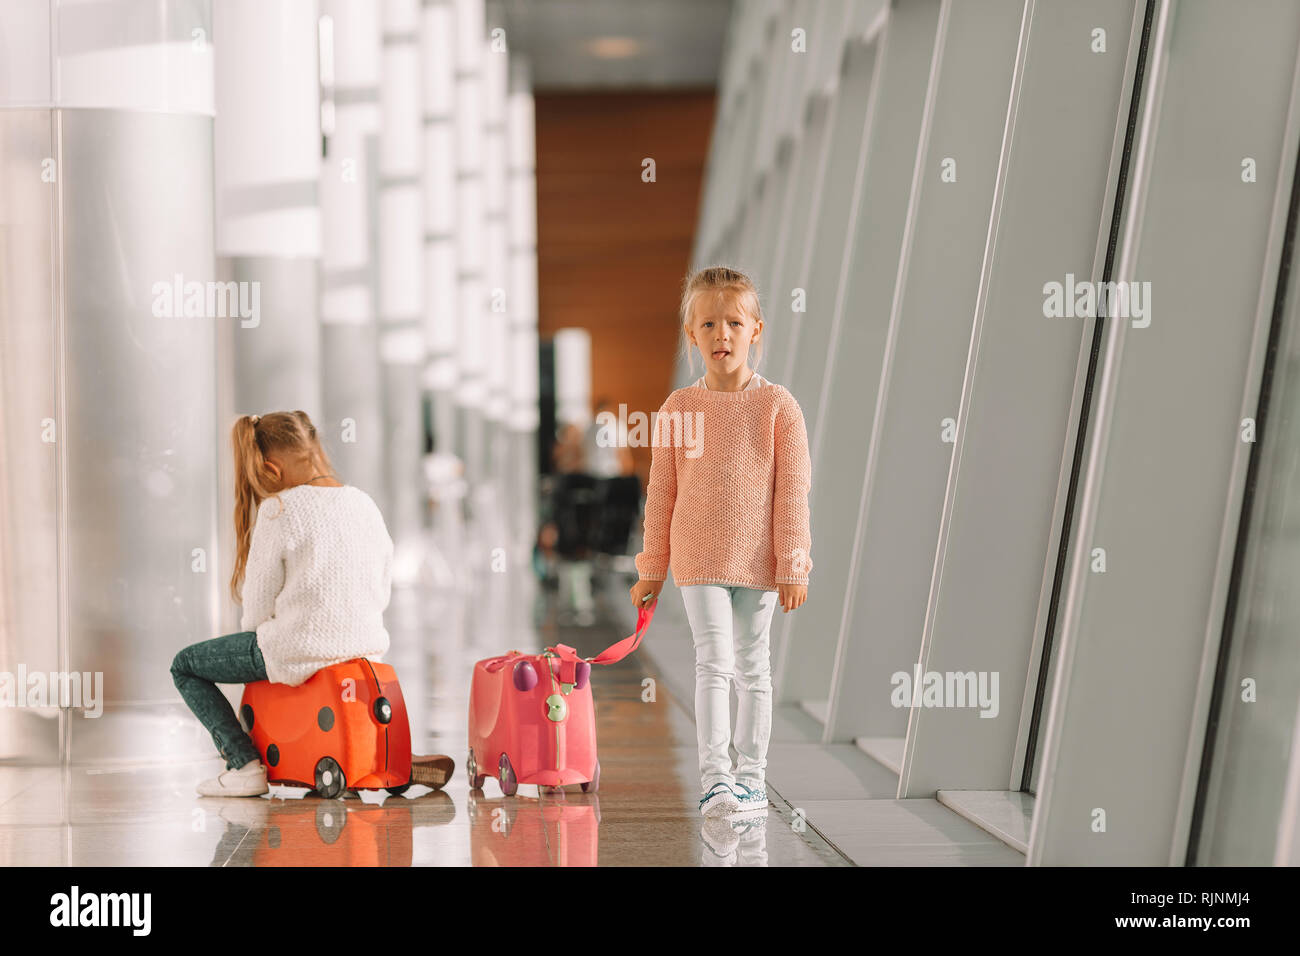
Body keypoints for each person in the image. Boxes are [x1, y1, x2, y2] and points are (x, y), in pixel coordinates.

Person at [630, 266, 814, 818]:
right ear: (692, 334)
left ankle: (753, 777)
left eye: (733, 322)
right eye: (707, 323)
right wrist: (651, 567)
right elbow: (661, 494)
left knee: (753, 666)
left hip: (759, 562)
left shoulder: (778, 407)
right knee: (713, 662)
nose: (721, 335)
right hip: (697, 558)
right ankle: (716, 778)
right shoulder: (679, 410)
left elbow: (792, 491)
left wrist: (794, 562)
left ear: (755, 330)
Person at [171, 410, 395, 797]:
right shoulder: (364, 503)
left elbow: (257, 611)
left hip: (297, 649)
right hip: (366, 647)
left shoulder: (279, 509)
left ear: (271, 470)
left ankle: (243, 765)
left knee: (186, 665)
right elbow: (382, 587)